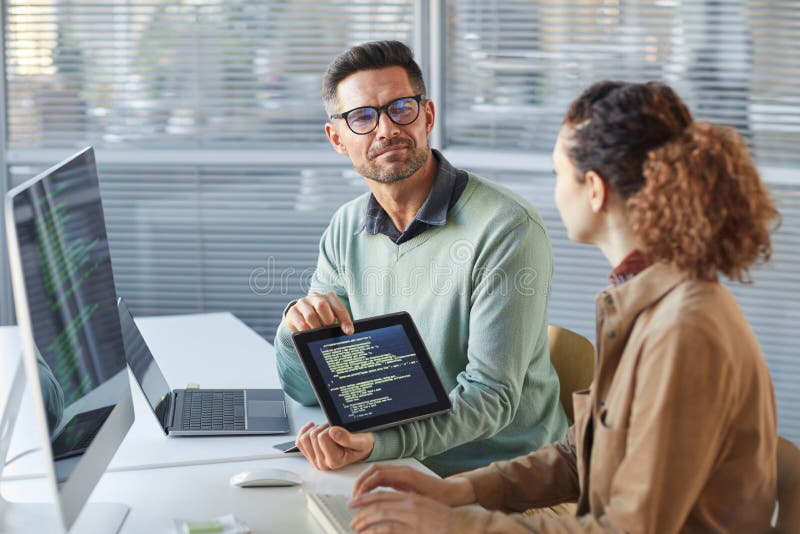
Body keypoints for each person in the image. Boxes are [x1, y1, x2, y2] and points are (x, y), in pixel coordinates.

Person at [347, 81, 779, 532]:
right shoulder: (643, 300)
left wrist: (454, 525)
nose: (553, 194)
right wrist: (460, 490)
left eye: (558, 174)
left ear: (594, 189)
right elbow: (581, 455)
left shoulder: (683, 330)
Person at [273, 40, 567, 476]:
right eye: (362, 117)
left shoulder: (506, 227)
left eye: (401, 108)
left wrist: (377, 444)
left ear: (426, 116)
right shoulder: (346, 226)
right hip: (401, 460)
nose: (386, 129)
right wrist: (294, 329)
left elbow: (491, 397)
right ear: (337, 138)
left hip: (500, 479)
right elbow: (307, 390)